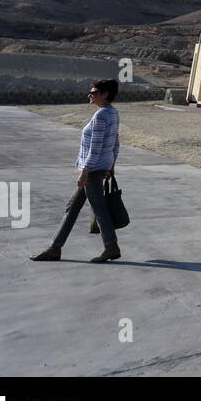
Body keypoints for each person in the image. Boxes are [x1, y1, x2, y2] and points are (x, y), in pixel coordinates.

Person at [30, 79, 123, 263]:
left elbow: (96, 147)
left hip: (93, 169)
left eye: (94, 92)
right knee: (72, 207)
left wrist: (85, 170)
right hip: (100, 166)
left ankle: (111, 246)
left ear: (105, 94)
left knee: (99, 209)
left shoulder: (101, 116)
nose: (90, 94)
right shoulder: (113, 113)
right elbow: (115, 142)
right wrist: (111, 165)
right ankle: (55, 248)